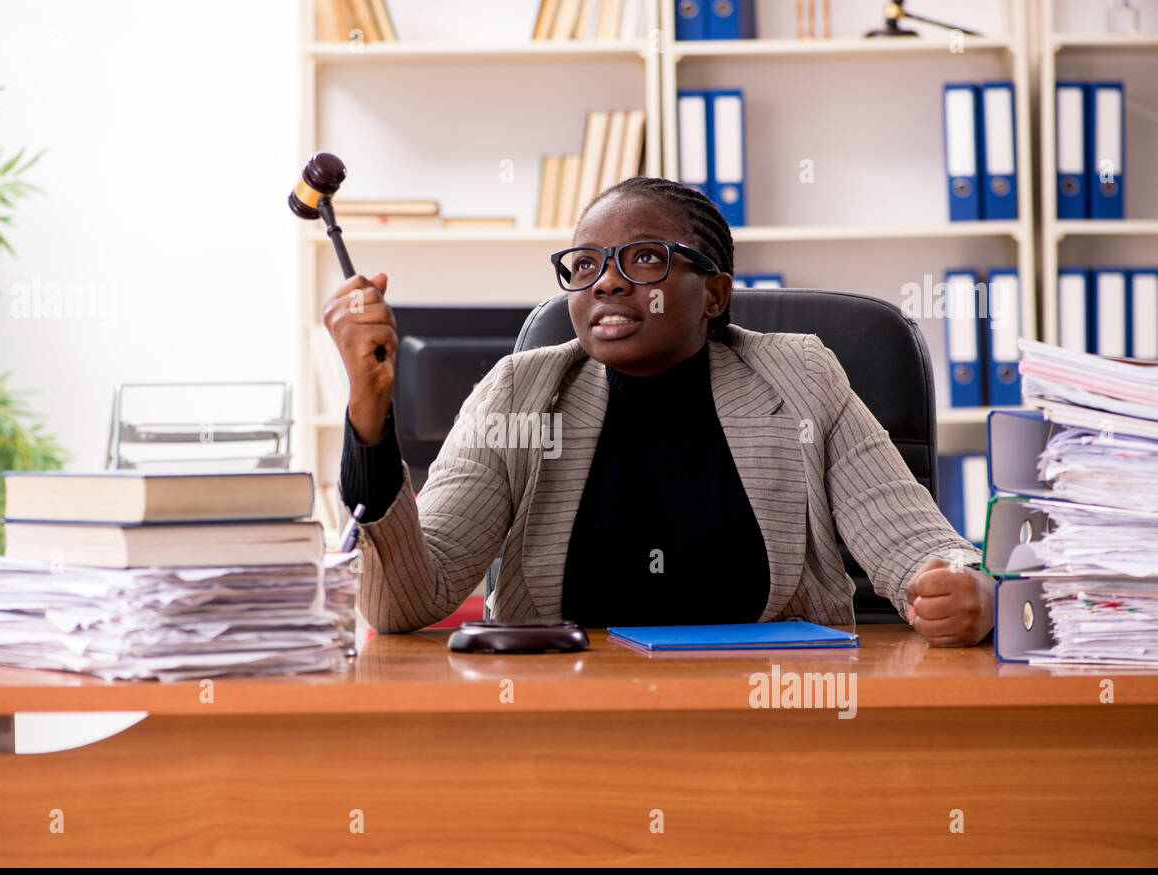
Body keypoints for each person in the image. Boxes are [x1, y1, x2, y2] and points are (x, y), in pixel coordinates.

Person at [323, 176, 995, 645]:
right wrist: (369, 420)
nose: (607, 280)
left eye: (644, 258)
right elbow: (403, 600)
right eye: (584, 265)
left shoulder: (802, 377)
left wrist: (962, 588)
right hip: (567, 722)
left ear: (713, 293)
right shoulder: (519, 393)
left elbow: (919, 547)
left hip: (778, 714)